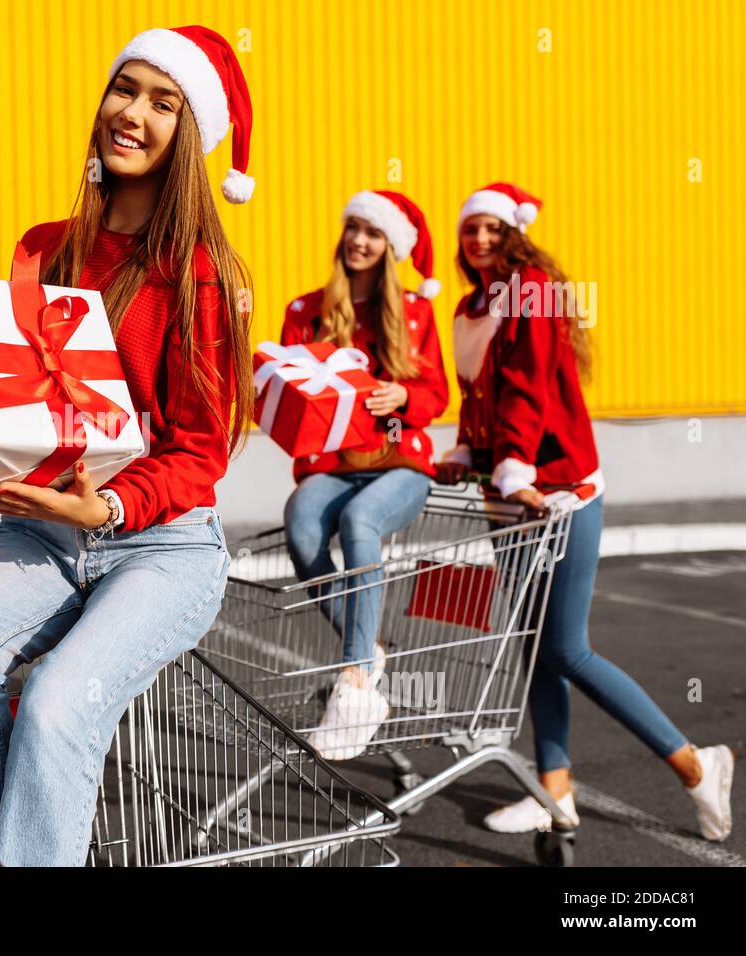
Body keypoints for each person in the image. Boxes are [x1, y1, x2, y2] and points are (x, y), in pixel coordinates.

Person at [0, 25, 255, 866]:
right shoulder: (43, 248)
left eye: (163, 102)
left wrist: (109, 504)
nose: (130, 114)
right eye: (123, 90)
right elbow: (26, 395)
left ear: (191, 134)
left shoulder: (200, 272)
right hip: (46, 532)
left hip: (160, 546)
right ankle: (26, 849)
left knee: (61, 702)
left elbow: (202, 451)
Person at [435, 182, 734, 840]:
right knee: (535, 651)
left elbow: (527, 388)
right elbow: (480, 392)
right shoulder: (470, 305)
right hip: (505, 497)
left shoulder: (535, 289)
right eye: (469, 230)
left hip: (556, 490)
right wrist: (467, 449)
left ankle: (694, 764)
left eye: (491, 228)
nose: (479, 239)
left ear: (513, 232)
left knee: (567, 647)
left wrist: (513, 462)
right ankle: (554, 792)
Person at [280, 191, 450, 760]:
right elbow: (290, 386)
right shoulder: (306, 312)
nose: (358, 240)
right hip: (335, 463)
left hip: (401, 459)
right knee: (302, 523)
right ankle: (370, 648)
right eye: (353, 227)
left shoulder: (414, 312)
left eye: (372, 233)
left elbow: (437, 393)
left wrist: (404, 393)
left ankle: (354, 681)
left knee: (360, 521)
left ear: (389, 247)